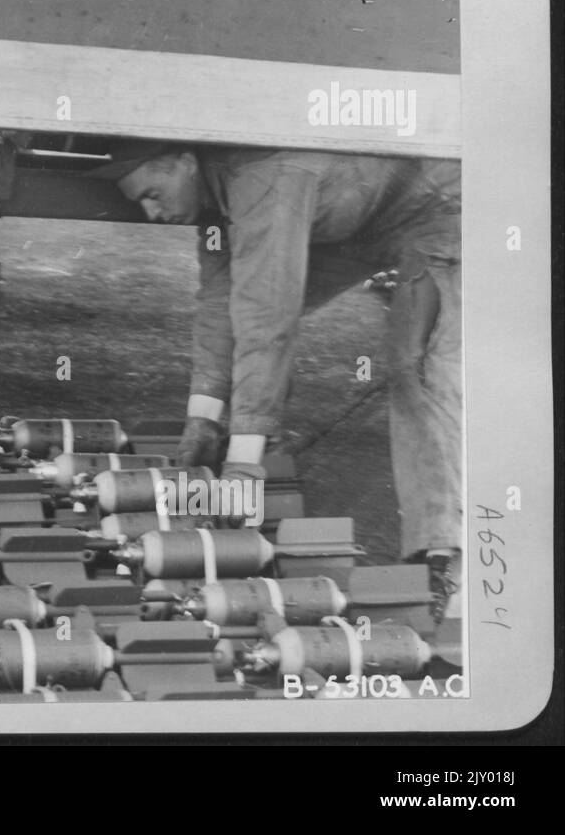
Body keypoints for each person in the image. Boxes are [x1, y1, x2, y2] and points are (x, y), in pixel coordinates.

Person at [94, 141, 462, 615]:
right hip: (350, 221)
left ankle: (442, 552)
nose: (150, 212)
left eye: (153, 193)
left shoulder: (263, 184)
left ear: (186, 164)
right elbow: (217, 306)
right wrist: (202, 417)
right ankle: (244, 441)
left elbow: (268, 320)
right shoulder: (215, 200)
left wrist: (243, 463)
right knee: (241, 305)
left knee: (417, 363)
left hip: (434, 209)